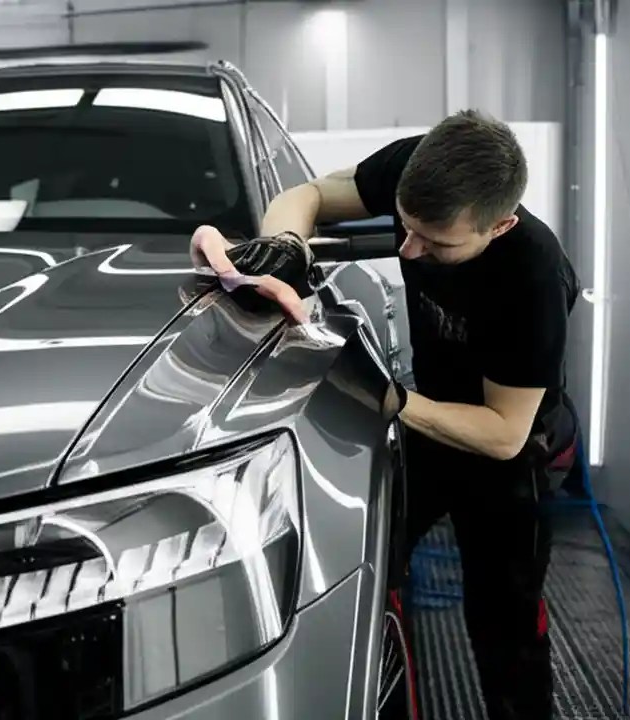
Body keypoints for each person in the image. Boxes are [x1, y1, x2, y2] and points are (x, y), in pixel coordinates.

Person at [197, 109, 581, 720]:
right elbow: (310, 195)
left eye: (436, 241)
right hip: (428, 423)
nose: (408, 249)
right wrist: (285, 246)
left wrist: (392, 401)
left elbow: (503, 433)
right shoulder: (414, 166)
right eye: (404, 226)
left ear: (499, 225)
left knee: (504, 618)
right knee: (367, 558)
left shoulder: (533, 276)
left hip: (506, 450)